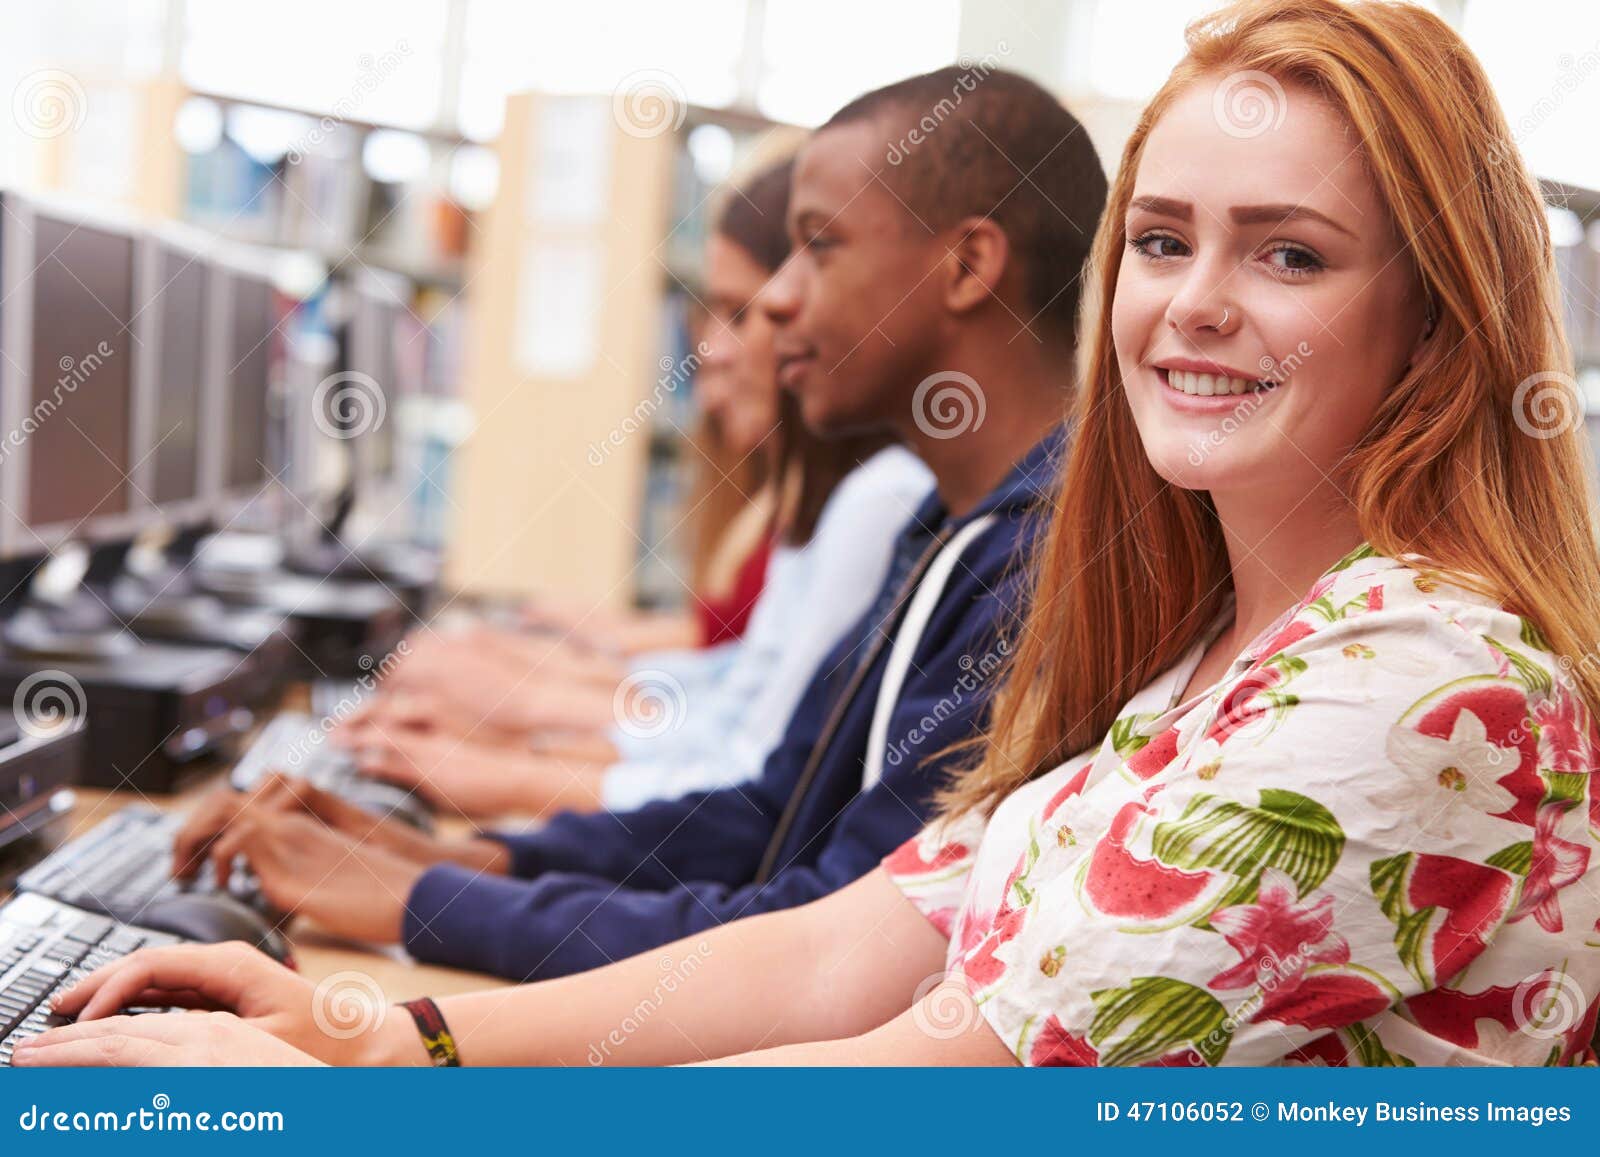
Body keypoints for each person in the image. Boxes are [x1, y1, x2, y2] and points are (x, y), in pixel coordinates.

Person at [30, 0, 1596, 1067]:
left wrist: (332, 1090)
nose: (1193, 303)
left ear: (1437, 320)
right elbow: (845, 954)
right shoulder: (1202, 659)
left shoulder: (1409, 684)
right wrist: (353, 1025)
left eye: (1292, 255)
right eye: (1166, 240)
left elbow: (910, 1085)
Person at [151, 65, 1105, 983]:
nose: (775, 301)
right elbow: (766, 818)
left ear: (968, 263)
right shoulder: (952, 524)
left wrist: (426, 900)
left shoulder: (1041, 566)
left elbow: (819, 935)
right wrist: (461, 859)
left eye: (819, 244)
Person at [324, 159, 934, 817]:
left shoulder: (879, 500)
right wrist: (519, 719)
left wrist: (517, 734)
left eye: (740, 312)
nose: (711, 350)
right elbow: (723, 704)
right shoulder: (830, 500)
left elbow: (746, 774)